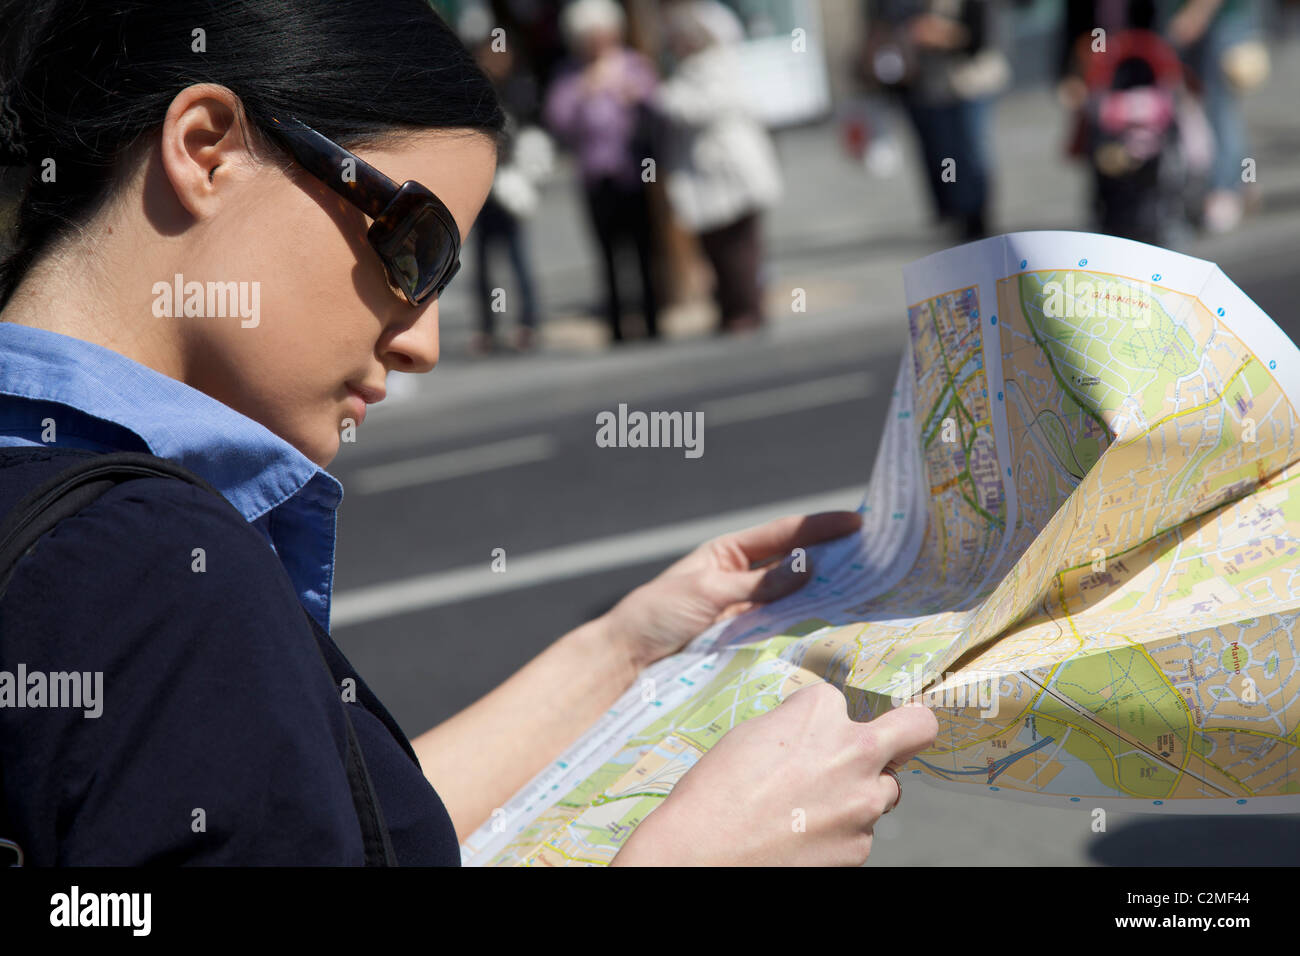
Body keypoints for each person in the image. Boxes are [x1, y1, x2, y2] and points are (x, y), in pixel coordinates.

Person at [0, 0, 937, 866]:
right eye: (417, 247)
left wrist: (622, 652)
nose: (425, 344)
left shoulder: (75, 513)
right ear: (208, 151)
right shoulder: (149, 569)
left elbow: (323, 822)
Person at [656, 0, 784, 335]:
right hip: (706, 174)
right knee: (715, 245)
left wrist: (666, 102)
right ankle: (729, 307)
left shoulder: (718, 64)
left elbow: (703, 107)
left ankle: (748, 307)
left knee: (741, 246)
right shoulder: (685, 71)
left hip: (730, 165)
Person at [544, 0, 662, 343]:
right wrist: (584, 94)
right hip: (596, 176)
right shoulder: (571, 75)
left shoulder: (632, 64)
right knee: (608, 253)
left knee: (644, 249)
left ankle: (653, 320)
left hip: (636, 172)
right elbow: (557, 119)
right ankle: (617, 327)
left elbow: (657, 104)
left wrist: (632, 94)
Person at [863, 0, 1009, 240]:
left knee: (970, 152)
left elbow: (983, 37)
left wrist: (939, 34)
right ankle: (952, 215)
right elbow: (879, 26)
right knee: (938, 154)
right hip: (920, 86)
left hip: (966, 83)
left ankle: (976, 220)